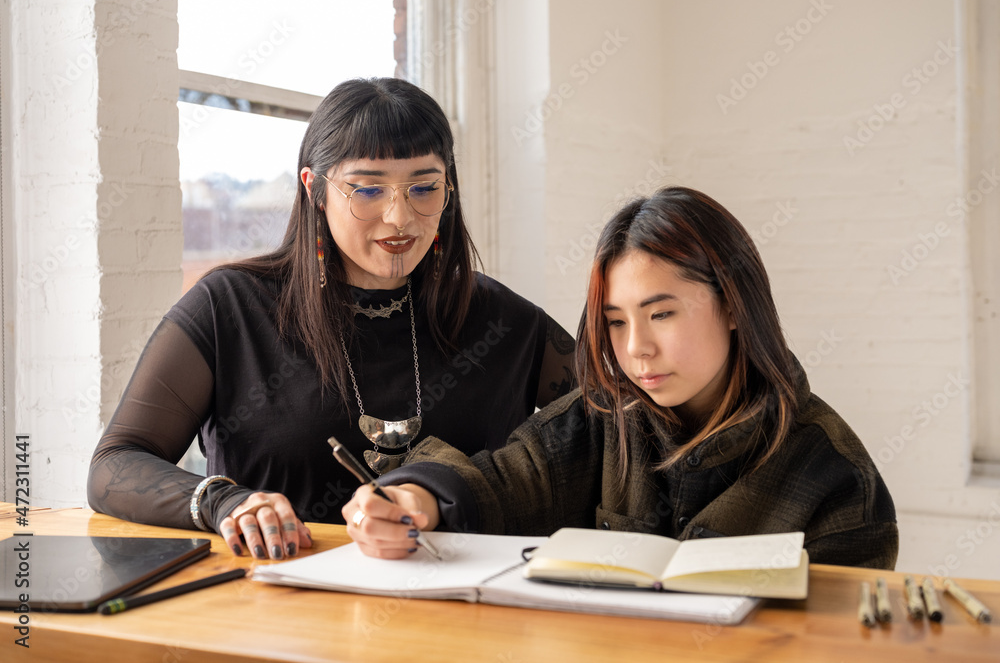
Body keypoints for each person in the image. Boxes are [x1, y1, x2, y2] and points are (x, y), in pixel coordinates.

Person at [88, 77, 576, 562]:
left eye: (424, 187)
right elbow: (115, 464)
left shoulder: (500, 318)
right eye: (368, 189)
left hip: (466, 598)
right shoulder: (230, 307)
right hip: (277, 597)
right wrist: (225, 501)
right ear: (315, 188)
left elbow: (610, 414)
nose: (399, 217)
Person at [343, 186, 899, 570]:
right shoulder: (601, 419)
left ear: (733, 305)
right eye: (615, 322)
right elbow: (502, 482)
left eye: (662, 314)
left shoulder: (836, 477)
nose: (636, 349)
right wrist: (414, 497)